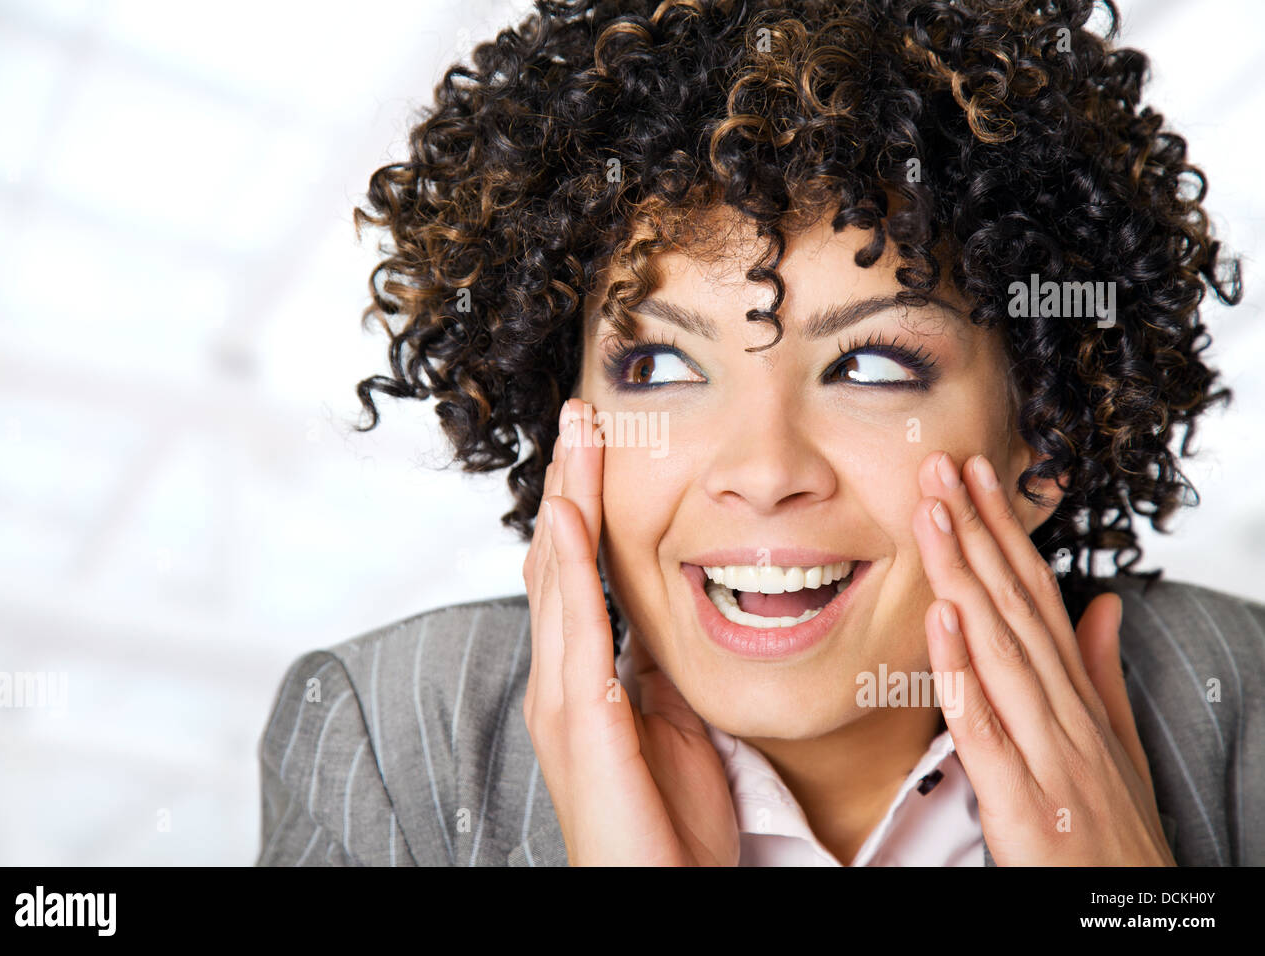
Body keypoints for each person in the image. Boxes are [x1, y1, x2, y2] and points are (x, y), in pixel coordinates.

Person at [256, 0, 1264, 866]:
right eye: (656, 366)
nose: (762, 471)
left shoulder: (1240, 710)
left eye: (870, 366)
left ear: (1042, 436)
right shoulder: (391, 742)